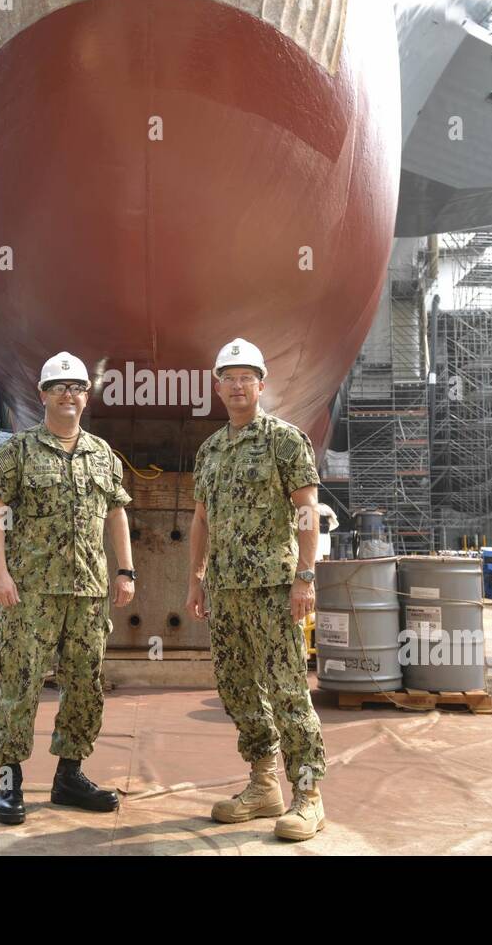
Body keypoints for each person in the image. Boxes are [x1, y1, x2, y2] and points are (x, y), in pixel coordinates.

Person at [0, 352, 136, 825]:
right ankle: (9, 780)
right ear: (43, 395)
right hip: (30, 593)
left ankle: (69, 775)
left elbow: (116, 513)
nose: (69, 394)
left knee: (85, 686)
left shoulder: (102, 454)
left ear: (86, 397)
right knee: (21, 684)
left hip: (88, 592)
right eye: (60, 386)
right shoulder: (18, 451)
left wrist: (125, 571)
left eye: (78, 387)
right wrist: (1, 575)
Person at [184, 337, 327, 841]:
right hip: (225, 591)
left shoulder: (286, 441)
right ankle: (264, 784)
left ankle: (308, 795)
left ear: (261, 385)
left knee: (288, 689)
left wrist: (306, 577)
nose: (238, 385)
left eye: (247, 377)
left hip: (273, 588)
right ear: (217, 387)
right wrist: (197, 577)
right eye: (230, 377)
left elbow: (306, 510)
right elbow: (201, 518)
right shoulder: (211, 449)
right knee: (238, 689)